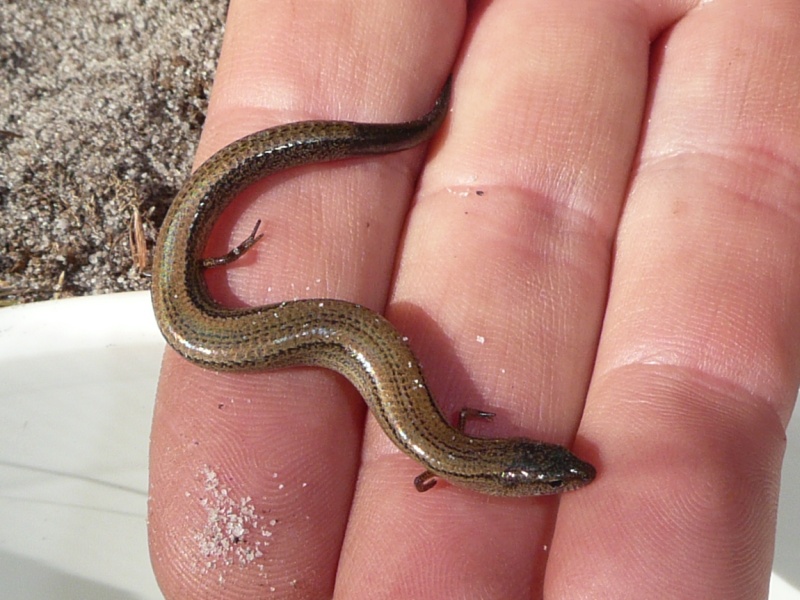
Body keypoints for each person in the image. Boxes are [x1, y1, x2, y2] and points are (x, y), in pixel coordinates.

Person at [148, 2, 798, 598]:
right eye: (549, 474)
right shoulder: (444, 453)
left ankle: (390, 134)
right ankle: (392, 131)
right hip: (214, 325)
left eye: (549, 472)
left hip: (238, 322)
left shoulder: (444, 452)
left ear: (493, 473)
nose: (562, 476)